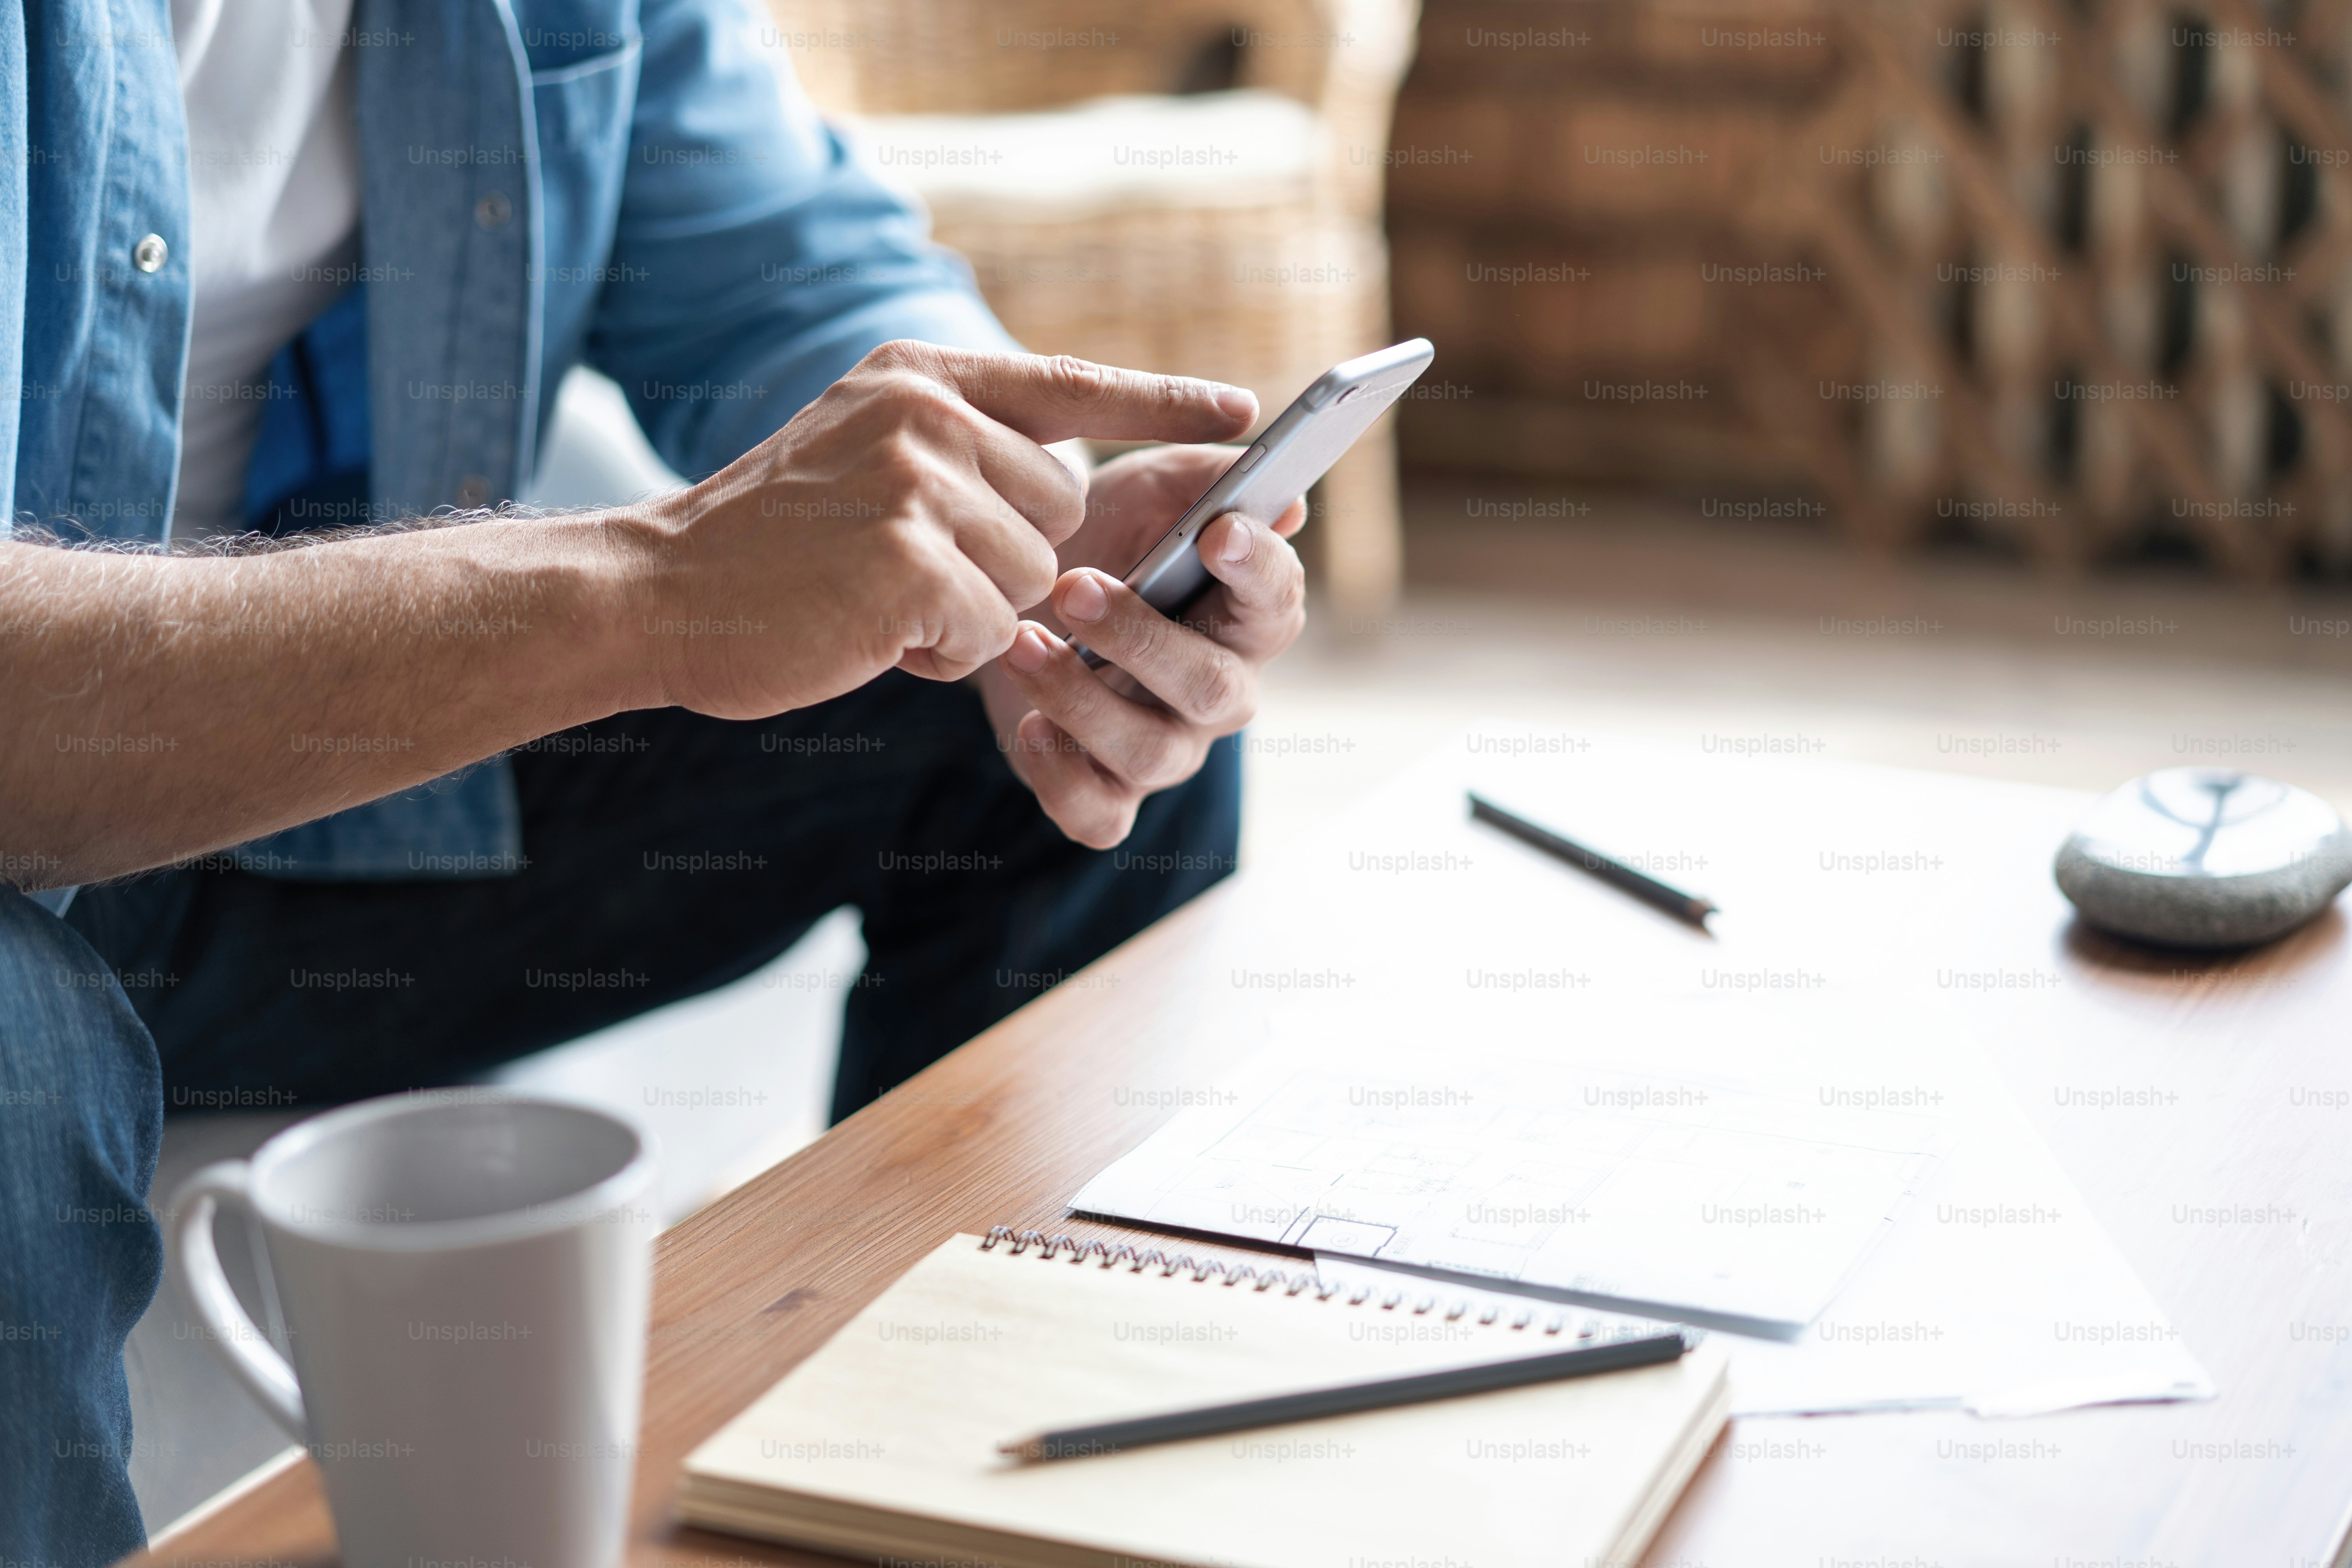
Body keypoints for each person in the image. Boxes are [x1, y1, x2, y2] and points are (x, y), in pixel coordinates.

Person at [0, 0, 1308, 1556]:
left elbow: (793, 266)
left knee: (1021, 696)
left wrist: (1024, 532)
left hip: (332, 817)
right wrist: (653, 587)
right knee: (23, 1034)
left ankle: (951, 1480)